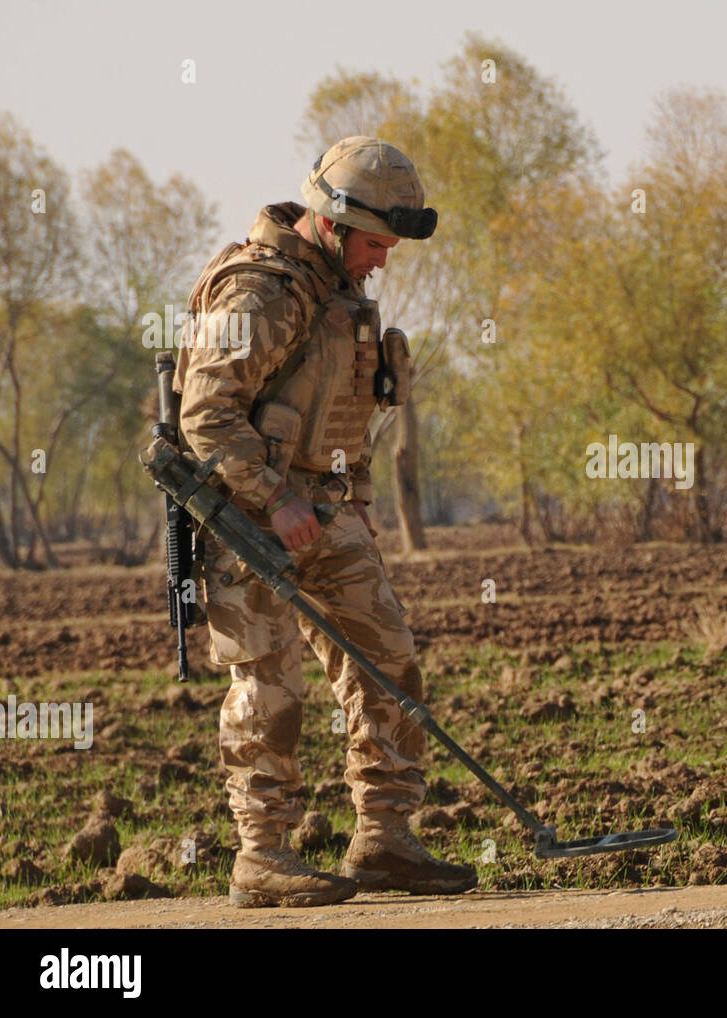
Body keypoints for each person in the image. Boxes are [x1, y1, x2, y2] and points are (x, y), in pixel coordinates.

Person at [174, 136, 477, 907]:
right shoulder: (260, 293)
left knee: (390, 663)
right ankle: (262, 856)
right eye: (377, 242)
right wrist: (275, 499)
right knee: (270, 688)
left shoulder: (343, 292)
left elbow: (352, 418)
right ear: (334, 222)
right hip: (246, 514)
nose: (384, 259)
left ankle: (384, 840)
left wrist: (360, 507)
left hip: (325, 510)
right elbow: (206, 418)